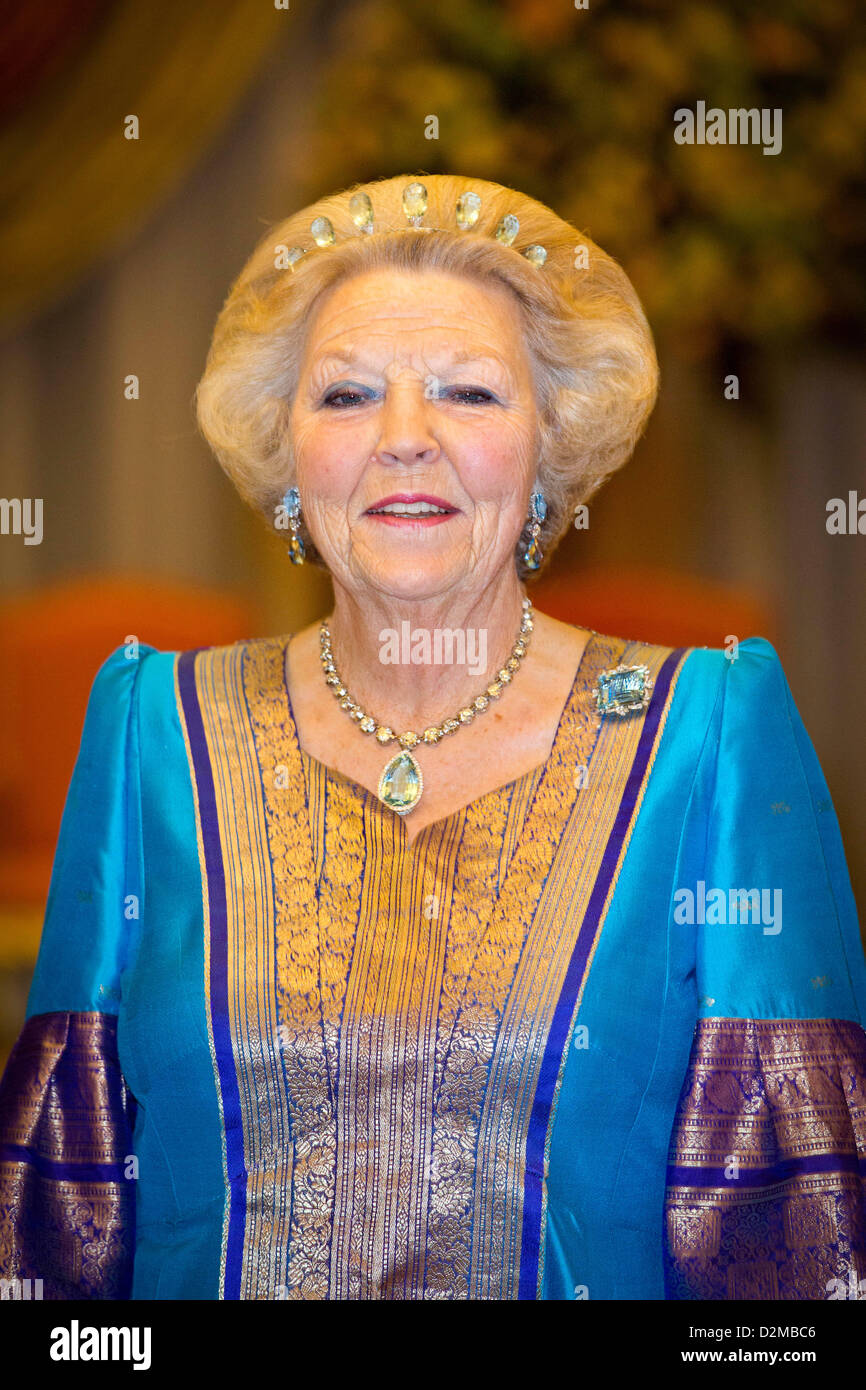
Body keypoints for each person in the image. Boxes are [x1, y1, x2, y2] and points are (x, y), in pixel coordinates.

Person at [1, 173, 864, 1301]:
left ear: (551, 442)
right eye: (347, 396)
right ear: (285, 452)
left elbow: (786, 1259)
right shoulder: (149, 729)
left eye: (467, 393)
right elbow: (58, 1240)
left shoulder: (707, 733)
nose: (404, 440)